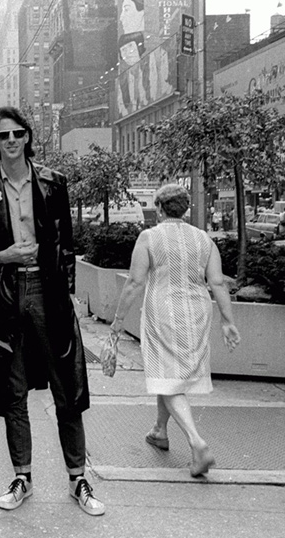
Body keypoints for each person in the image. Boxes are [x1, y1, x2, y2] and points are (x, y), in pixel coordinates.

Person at [0, 106, 104, 517]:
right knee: (13, 389)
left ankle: (78, 478)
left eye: (17, 134)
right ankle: (22, 476)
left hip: (48, 291)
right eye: (2, 135)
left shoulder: (53, 183)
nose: (10, 141)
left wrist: (70, 295)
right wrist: (2, 255)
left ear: (27, 137)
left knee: (67, 387)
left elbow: (68, 245)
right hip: (6, 293)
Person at [111, 184, 241, 477]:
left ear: (158, 208)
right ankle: (159, 430)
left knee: (168, 376)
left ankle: (197, 443)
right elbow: (217, 283)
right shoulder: (204, 239)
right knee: (169, 374)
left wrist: (118, 321)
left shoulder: (149, 237)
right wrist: (228, 321)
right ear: (185, 209)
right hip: (197, 312)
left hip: (163, 312)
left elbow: (135, 282)